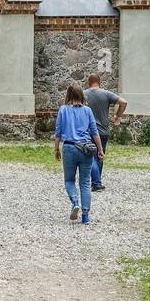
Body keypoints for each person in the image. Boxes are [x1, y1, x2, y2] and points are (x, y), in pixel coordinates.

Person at [54, 84, 102, 225]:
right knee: (85, 183)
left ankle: (75, 201)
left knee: (69, 180)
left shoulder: (63, 110)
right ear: (82, 95)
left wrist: (56, 149)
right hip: (86, 149)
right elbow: (94, 131)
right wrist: (100, 149)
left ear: (68, 95)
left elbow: (58, 132)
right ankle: (85, 216)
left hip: (69, 147)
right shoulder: (87, 111)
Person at [84, 74, 127, 192]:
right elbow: (123, 102)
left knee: (91, 156)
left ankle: (96, 183)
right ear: (100, 82)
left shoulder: (83, 94)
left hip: (88, 131)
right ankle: (97, 182)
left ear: (89, 82)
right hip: (103, 131)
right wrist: (117, 116)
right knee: (100, 155)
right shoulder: (106, 94)